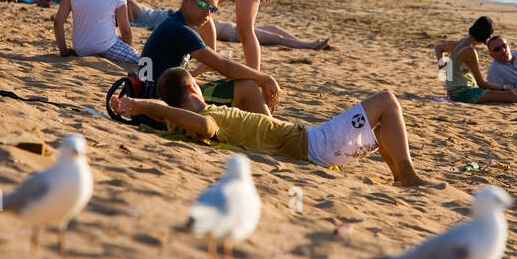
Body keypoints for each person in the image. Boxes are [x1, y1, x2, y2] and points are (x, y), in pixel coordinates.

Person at [111, 69, 426, 187]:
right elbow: (206, 127)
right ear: (194, 89)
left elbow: (183, 120)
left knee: (382, 121)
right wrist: (143, 106)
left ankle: (400, 176)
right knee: (386, 100)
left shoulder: (182, 120)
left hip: (311, 142)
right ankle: (407, 176)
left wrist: (143, 107)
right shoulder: (204, 115)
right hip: (312, 144)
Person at [139, 0, 282, 114]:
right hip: (163, 105)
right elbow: (224, 65)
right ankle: (274, 133)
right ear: (186, 0)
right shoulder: (179, 29)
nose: (207, 13)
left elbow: (222, 63)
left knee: (238, 84)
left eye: (212, 9)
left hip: (152, 97)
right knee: (248, 87)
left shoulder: (173, 23)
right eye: (202, 5)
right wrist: (266, 79)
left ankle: (262, 130)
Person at [434, 18, 517, 109]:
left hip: (456, 90)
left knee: (507, 96)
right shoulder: (470, 51)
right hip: (462, 93)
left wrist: (444, 71)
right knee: (509, 95)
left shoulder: (461, 42)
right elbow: (482, 83)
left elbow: (439, 48)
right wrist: (506, 87)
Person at [124, 0, 329, 49]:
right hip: (224, 27)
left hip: (226, 31)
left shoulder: (127, 4)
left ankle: (306, 44)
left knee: (275, 36)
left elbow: (130, 24)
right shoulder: (136, 5)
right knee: (273, 33)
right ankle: (306, 43)